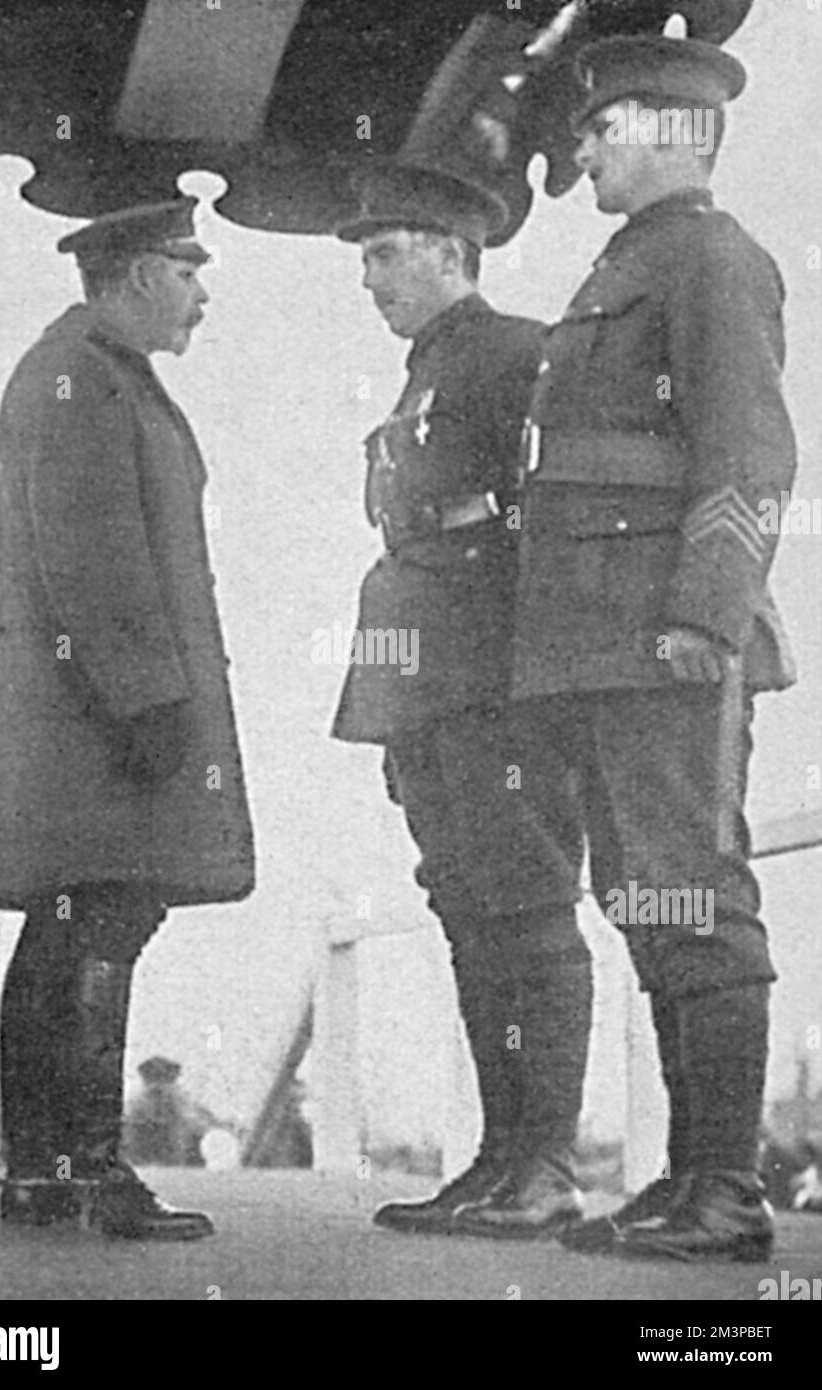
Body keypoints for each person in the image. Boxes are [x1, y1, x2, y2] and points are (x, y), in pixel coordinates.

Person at [460, 36, 797, 1260]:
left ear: (667, 131)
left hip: (666, 646)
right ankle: (685, 1180)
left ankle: (724, 1191)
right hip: (604, 648)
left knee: (693, 899)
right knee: (647, 901)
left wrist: (702, 618)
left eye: (604, 127)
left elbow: (749, 460)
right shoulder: (632, 261)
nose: (585, 145)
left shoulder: (710, 259)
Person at [0, 199, 255, 1240]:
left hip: (77, 709)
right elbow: (90, 553)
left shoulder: (86, 366)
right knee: (101, 921)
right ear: (140, 273)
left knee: (66, 929)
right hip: (100, 713)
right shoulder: (81, 372)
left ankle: (45, 1173)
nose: (200, 294)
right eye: (189, 272)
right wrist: (148, 698)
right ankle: (88, 1169)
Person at [331, 161, 594, 1236]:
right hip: (425, 672)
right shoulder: (429, 366)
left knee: (526, 906)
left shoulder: (515, 351)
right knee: (466, 908)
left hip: (494, 670)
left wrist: (543, 671)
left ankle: (546, 1164)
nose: (370, 280)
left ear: (452, 252)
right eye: (365, 262)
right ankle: (499, 1156)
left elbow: (561, 518)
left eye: (387, 256)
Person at [123, 1056, 216, 1167]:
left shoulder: (180, 1101)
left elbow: (199, 1123)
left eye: (162, 1078)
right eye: (155, 1077)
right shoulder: (139, 1103)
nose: (159, 1086)